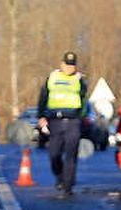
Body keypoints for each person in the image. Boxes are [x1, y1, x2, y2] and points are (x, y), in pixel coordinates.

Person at [35, 50, 90, 196]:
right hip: (55, 121)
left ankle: (67, 186)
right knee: (54, 154)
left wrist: (82, 117)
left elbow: (84, 101)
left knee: (71, 155)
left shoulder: (79, 80)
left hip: (73, 121)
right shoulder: (52, 77)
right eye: (67, 65)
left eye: (72, 65)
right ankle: (59, 176)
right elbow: (43, 97)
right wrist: (40, 116)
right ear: (62, 64)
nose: (69, 68)